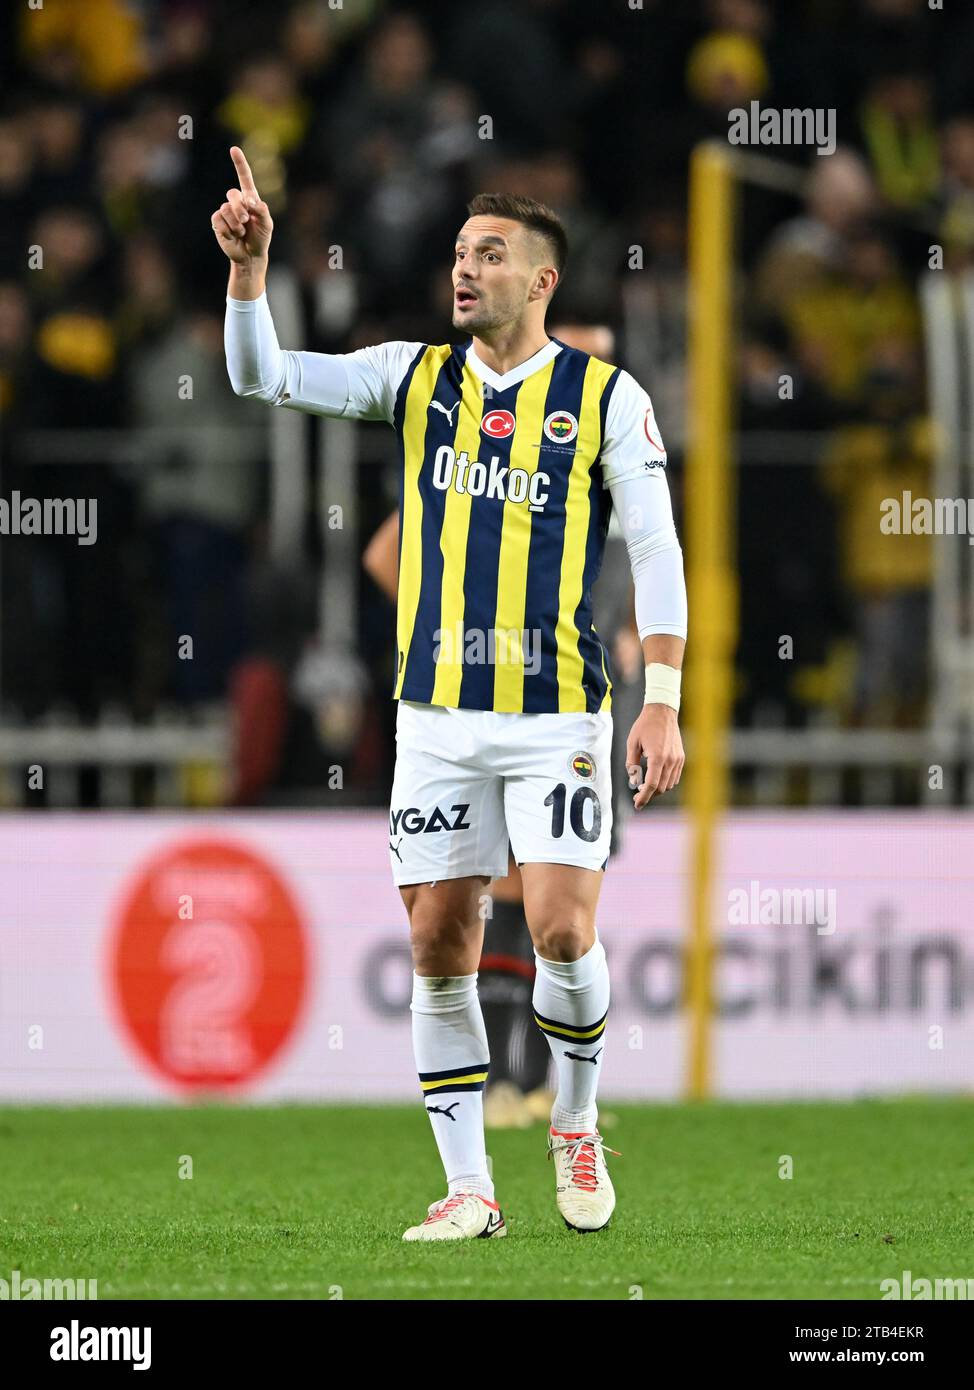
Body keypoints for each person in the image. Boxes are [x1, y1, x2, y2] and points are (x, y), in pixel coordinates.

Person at [217, 147, 688, 1240]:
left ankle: (573, 1120)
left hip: (560, 710)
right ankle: (469, 1189)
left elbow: (657, 552)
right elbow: (263, 376)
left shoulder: (604, 399)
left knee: (564, 931)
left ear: (542, 281)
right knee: (439, 940)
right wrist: (250, 275)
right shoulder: (412, 376)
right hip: (434, 717)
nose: (465, 270)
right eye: (459, 253)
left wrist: (658, 697)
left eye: (490, 255)